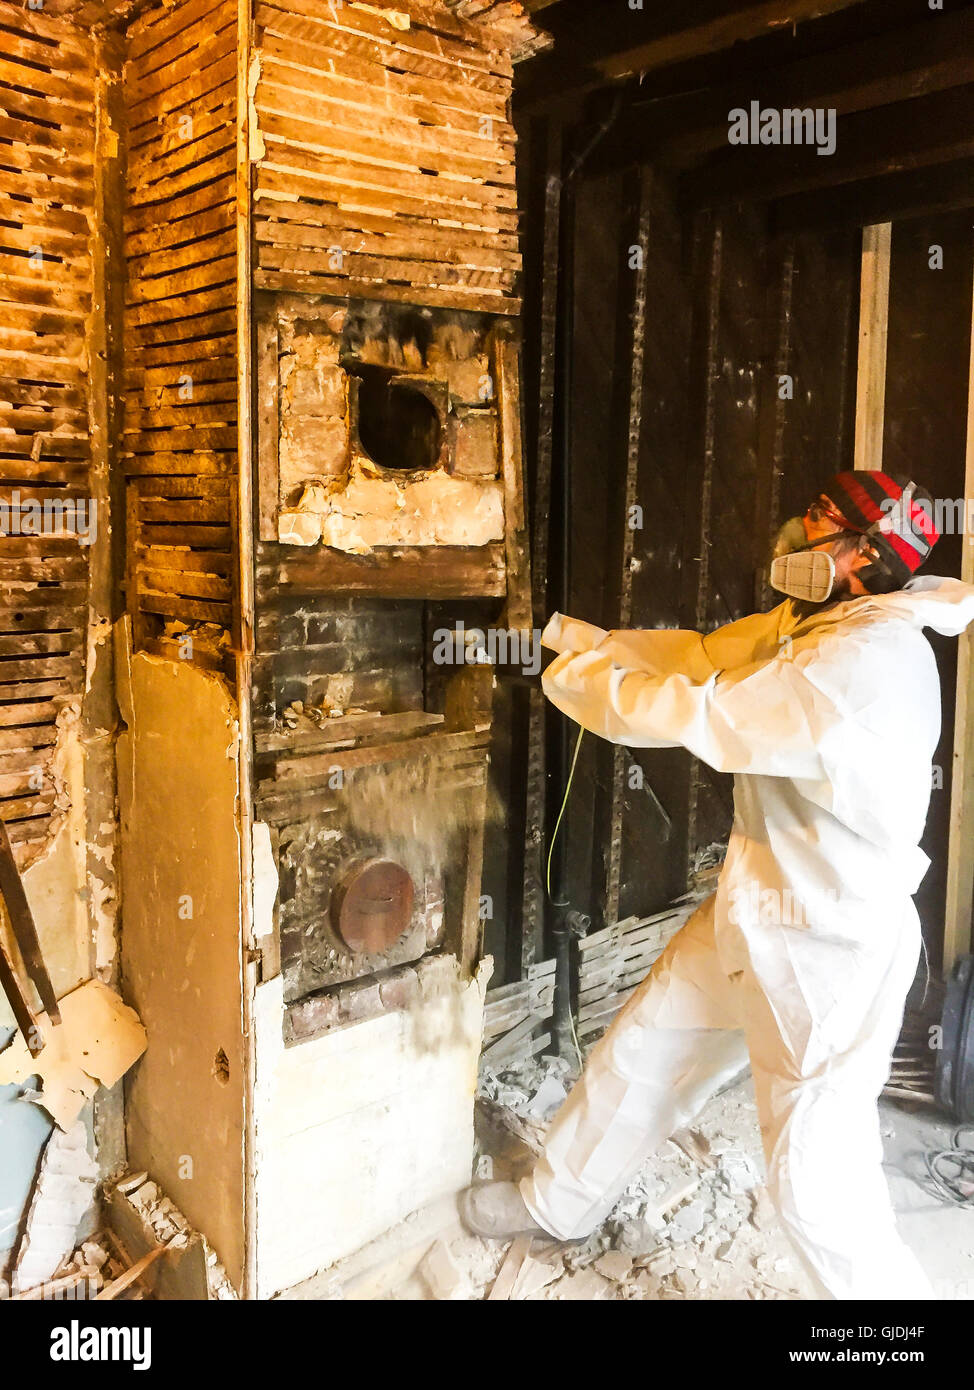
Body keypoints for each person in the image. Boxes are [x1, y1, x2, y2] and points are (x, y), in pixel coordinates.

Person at [462, 471, 974, 1300]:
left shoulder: (861, 664)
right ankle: (554, 1207)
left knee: (814, 1181)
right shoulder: (816, 619)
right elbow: (698, 657)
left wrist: (559, 682)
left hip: (827, 951)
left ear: (865, 555)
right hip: (760, 904)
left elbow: (696, 711)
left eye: (818, 521)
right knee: (645, 1049)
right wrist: (560, 642)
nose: (793, 529)